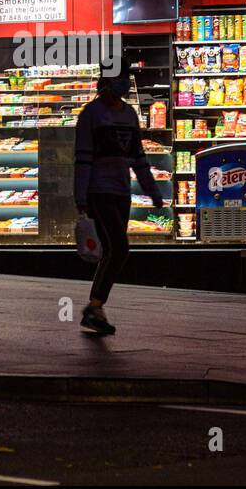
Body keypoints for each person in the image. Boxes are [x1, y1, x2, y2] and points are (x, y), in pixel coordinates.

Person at [74, 66, 162, 335]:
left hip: (122, 192)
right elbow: (83, 158)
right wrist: (80, 196)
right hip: (99, 191)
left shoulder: (129, 114)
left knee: (112, 251)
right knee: (120, 249)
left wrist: (152, 190)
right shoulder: (91, 114)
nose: (123, 83)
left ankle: (95, 308)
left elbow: (138, 157)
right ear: (107, 81)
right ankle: (95, 306)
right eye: (119, 79)